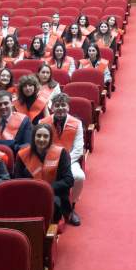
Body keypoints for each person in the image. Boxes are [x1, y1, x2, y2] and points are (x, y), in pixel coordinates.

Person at [12, 123, 75, 223]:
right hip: (30, 193)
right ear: (33, 137)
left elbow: (69, 180)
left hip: (54, 193)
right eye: (38, 135)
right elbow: (17, 180)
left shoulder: (61, 153)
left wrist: (46, 189)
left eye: (45, 136)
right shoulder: (22, 155)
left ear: (50, 138)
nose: (41, 139)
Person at [48, 93, 85, 226]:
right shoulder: (43, 122)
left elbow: (79, 149)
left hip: (70, 160)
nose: (60, 108)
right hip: (48, 161)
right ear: (52, 108)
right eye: (57, 105)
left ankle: (72, 206)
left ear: (68, 107)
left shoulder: (77, 123)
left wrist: (64, 163)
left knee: (79, 176)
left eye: (63, 105)